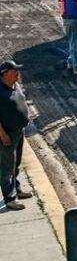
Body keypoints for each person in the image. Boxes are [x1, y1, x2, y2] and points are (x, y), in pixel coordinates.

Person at [0, 60, 32, 212]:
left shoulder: (15, 85)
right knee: (7, 167)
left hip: (19, 131)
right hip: (7, 134)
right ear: (5, 74)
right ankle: (10, 199)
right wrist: (3, 135)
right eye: (15, 71)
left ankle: (17, 189)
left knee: (17, 162)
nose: (18, 73)